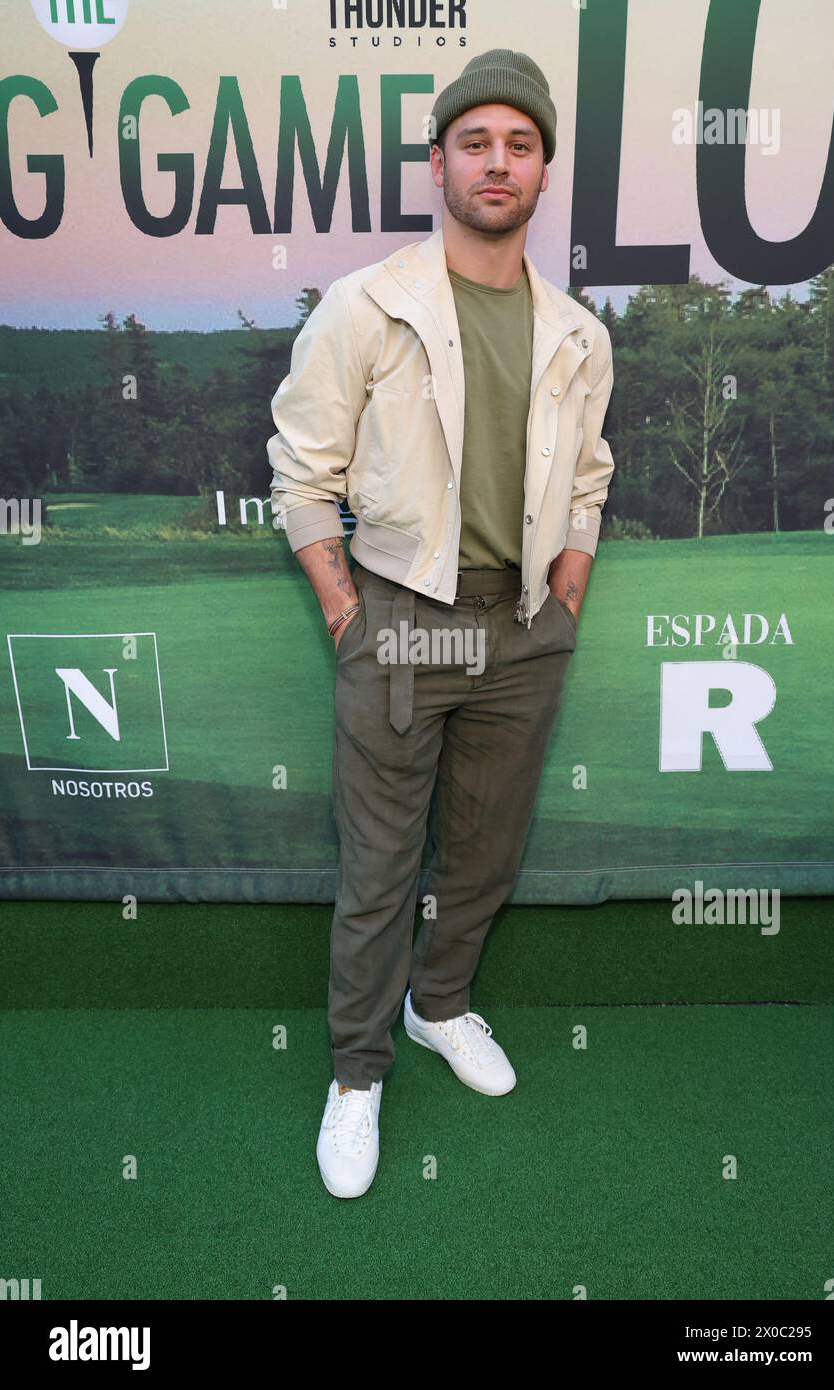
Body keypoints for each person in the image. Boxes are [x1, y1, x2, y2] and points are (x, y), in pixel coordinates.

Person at [267, 49, 615, 1199]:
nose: (496, 162)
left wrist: (563, 591)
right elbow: (301, 473)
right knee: (376, 868)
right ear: (438, 162)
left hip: (519, 627)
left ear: (542, 171)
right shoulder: (368, 306)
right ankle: (356, 1077)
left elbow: (588, 474)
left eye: (519, 145)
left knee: (482, 853)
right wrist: (340, 607)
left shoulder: (575, 330)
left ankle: (439, 1006)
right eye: (476, 142)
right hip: (399, 619)